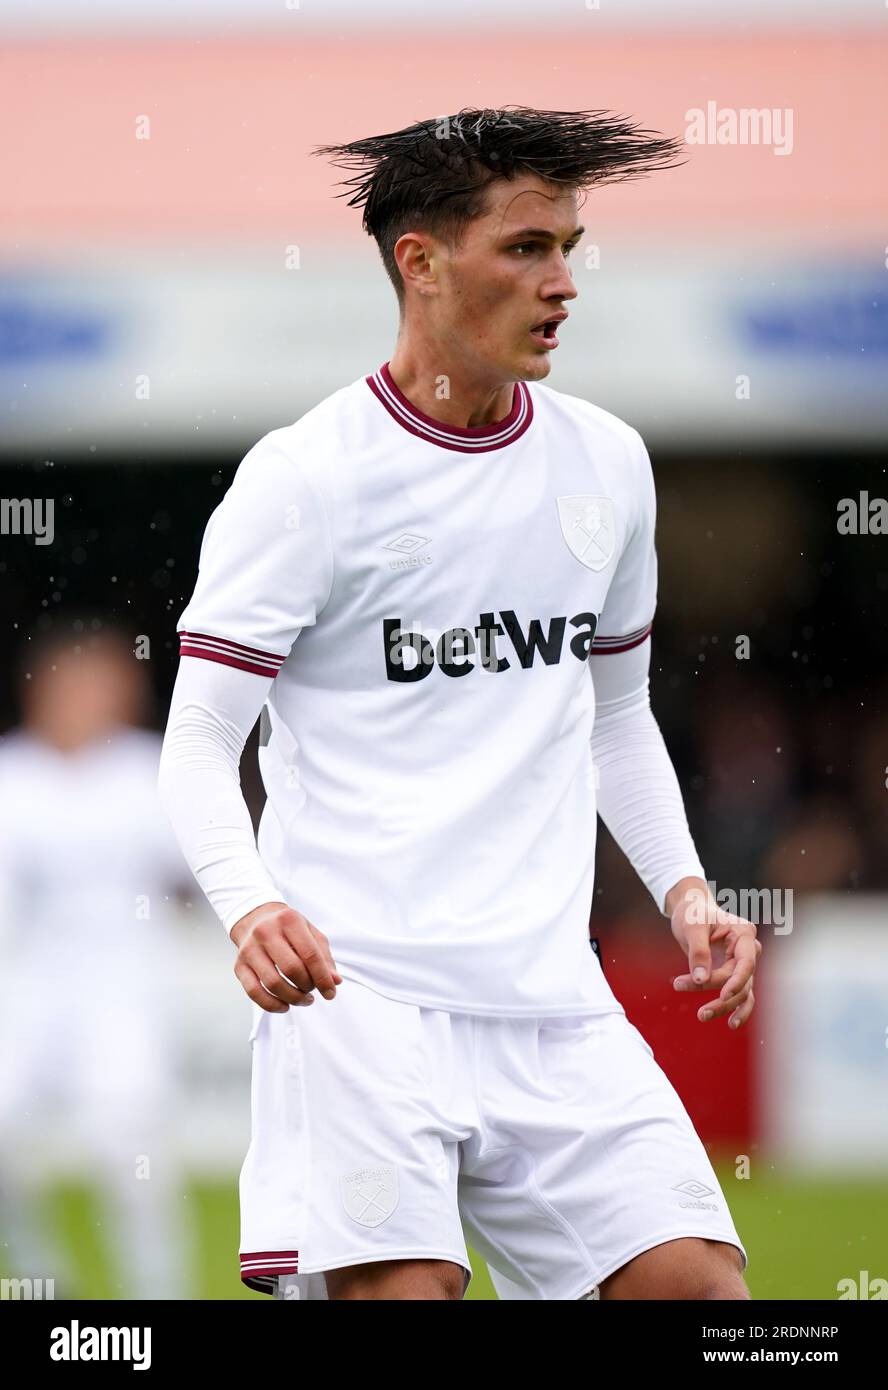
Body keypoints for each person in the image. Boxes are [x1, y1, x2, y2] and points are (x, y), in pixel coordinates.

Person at [158, 107, 760, 1301]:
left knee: (703, 1296)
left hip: (553, 1002)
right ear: (419, 262)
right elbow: (200, 734)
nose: (563, 283)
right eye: (529, 248)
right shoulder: (307, 479)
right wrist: (250, 906)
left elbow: (614, 714)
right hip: (360, 1005)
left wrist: (688, 889)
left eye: (571, 248)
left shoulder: (608, 464)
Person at [0, 625, 193, 1299]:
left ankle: (158, 1289)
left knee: (130, 1148)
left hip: (124, 989)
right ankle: (38, 1277)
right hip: (31, 988)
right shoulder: (13, 773)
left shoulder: (145, 770)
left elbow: (194, 877)